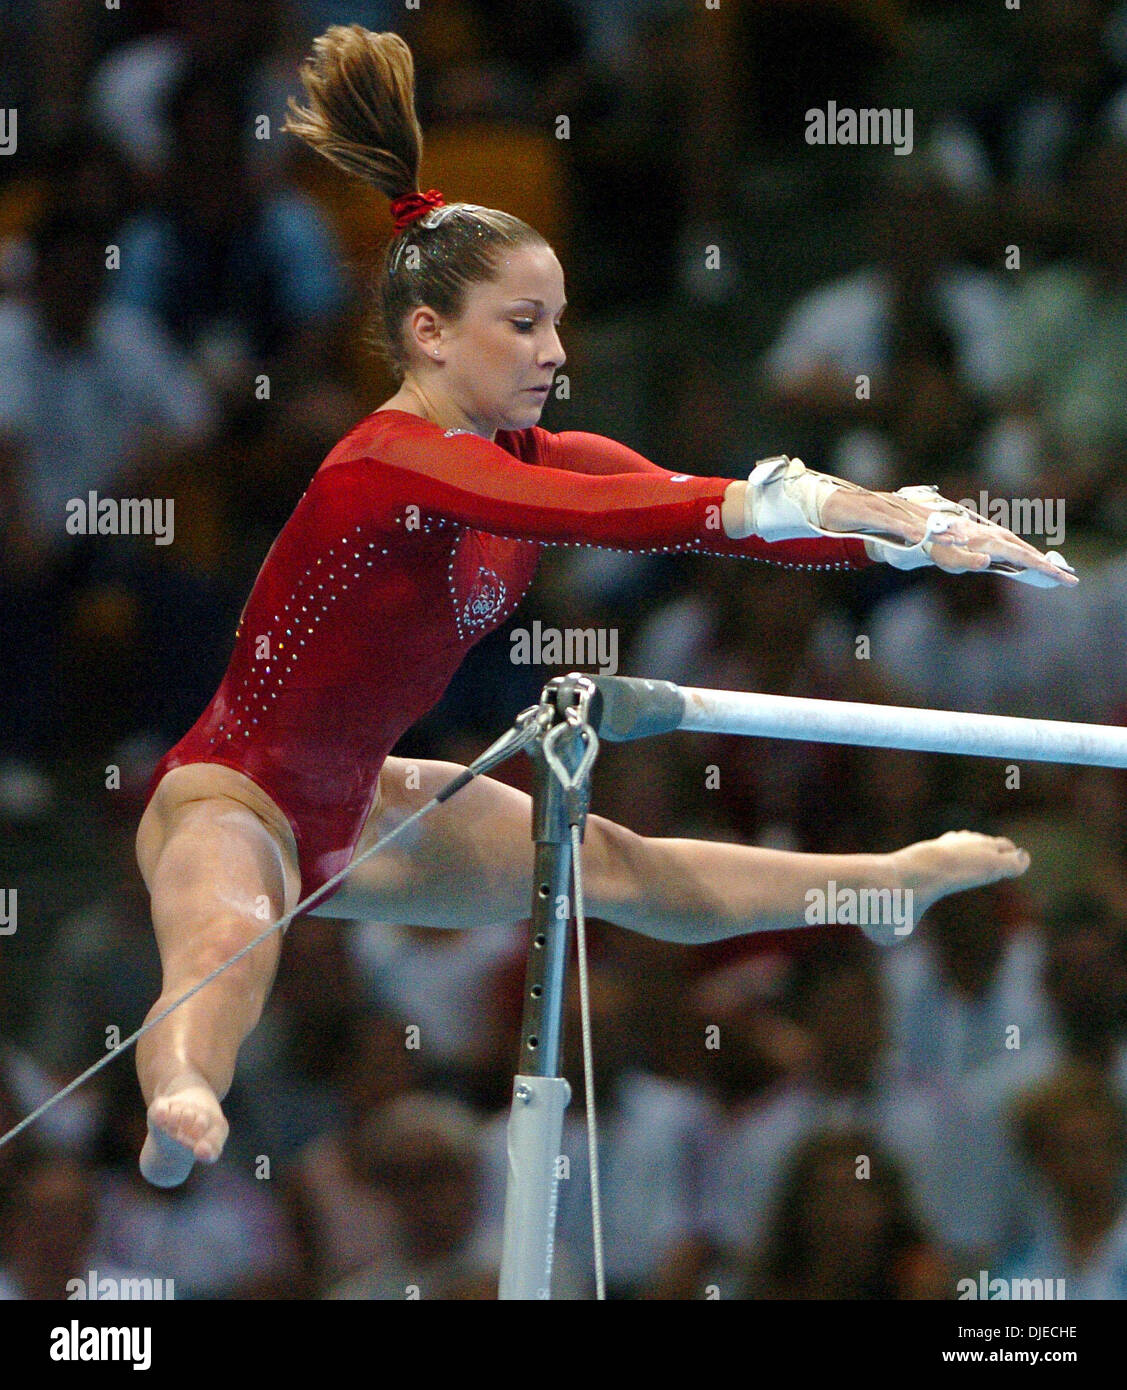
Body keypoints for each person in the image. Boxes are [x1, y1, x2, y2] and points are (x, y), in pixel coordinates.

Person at [133, 26, 1074, 1190]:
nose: (555, 351)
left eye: (559, 320)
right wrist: (834, 498)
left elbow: (693, 510)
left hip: (362, 805)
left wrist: (914, 534)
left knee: (613, 868)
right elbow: (633, 517)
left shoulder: (537, 450)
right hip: (232, 797)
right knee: (230, 935)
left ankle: (878, 885)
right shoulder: (392, 464)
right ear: (429, 333)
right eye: (522, 326)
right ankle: (179, 1093)